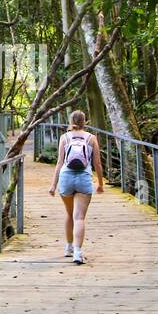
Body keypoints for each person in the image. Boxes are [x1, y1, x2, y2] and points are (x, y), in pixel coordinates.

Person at [48, 110, 103, 264]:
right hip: (84, 179)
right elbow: (97, 164)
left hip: (66, 178)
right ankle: (77, 254)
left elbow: (59, 162)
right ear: (85, 121)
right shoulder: (91, 138)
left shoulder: (64, 137)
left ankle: (68, 248)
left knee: (69, 213)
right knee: (79, 217)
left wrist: (53, 185)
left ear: (70, 121)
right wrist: (100, 184)